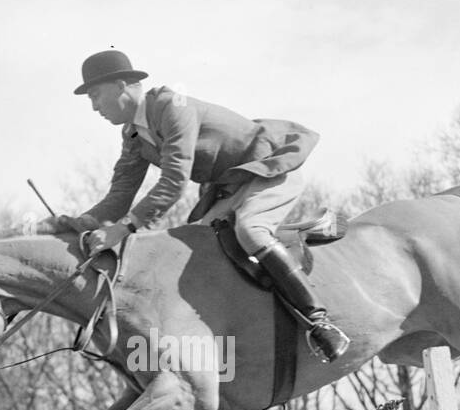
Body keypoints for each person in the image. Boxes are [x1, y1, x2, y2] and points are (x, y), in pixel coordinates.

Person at [55, 49, 350, 362]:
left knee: (251, 230)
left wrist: (123, 229)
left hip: (269, 169)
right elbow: (120, 194)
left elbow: (174, 181)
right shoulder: (133, 136)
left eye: (95, 95)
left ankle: (320, 323)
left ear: (121, 86)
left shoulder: (170, 106)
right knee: (192, 249)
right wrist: (78, 224)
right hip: (231, 188)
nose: (94, 106)